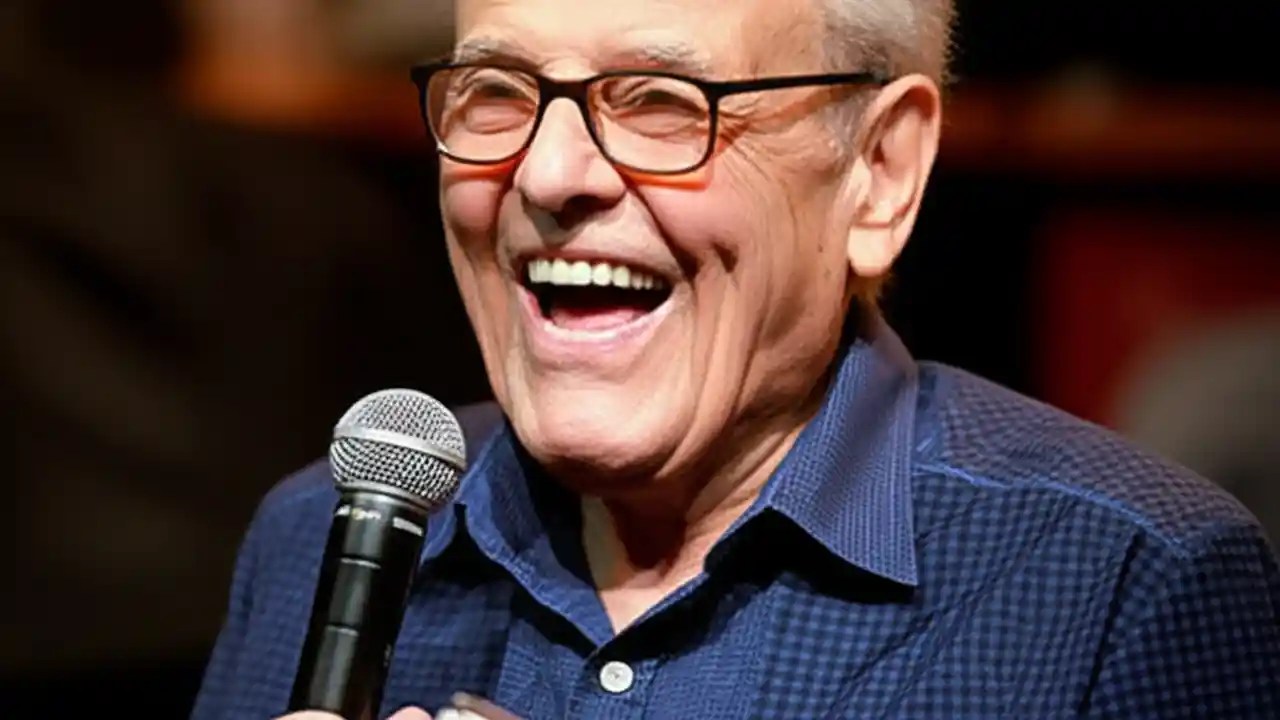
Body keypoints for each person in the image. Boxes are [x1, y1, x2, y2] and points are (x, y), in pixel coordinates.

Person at [191, 0, 1280, 718]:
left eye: (661, 104)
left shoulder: (1123, 588)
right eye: (497, 95)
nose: (547, 172)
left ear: (879, 173)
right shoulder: (321, 536)